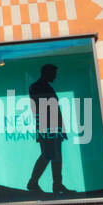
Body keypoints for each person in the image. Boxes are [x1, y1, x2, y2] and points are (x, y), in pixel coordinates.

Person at [27, 65, 71, 195]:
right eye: (53, 73)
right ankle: (33, 182)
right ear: (47, 73)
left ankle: (56, 184)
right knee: (49, 154)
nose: (55, 76)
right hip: (47, 126)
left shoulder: (41, 86)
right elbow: (41, 108)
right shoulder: (37, 87)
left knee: (55, 155)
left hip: (52, 126)